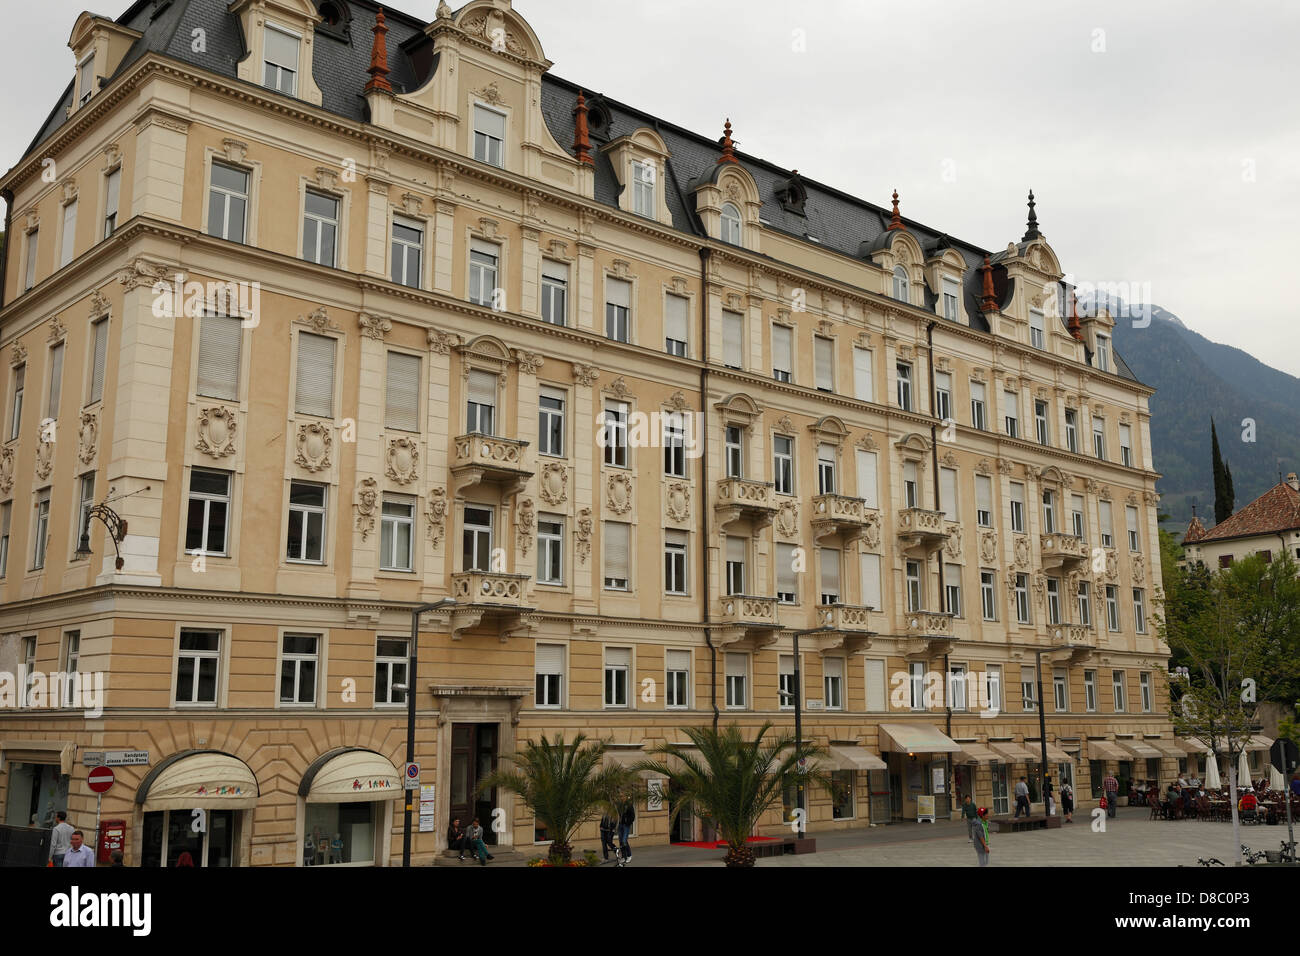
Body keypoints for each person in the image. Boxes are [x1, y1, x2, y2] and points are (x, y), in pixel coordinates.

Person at [618, 797, 636, 863]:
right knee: (621, 841)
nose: (621, 798)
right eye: (620, 796)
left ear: (625, 797)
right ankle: (623, 856)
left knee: (624, 841)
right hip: (621, 824)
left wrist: (627, 822)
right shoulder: (620, 805)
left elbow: (633, 816)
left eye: (622, 796)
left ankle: (629, 855)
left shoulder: (629, 805)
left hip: (626, 825)